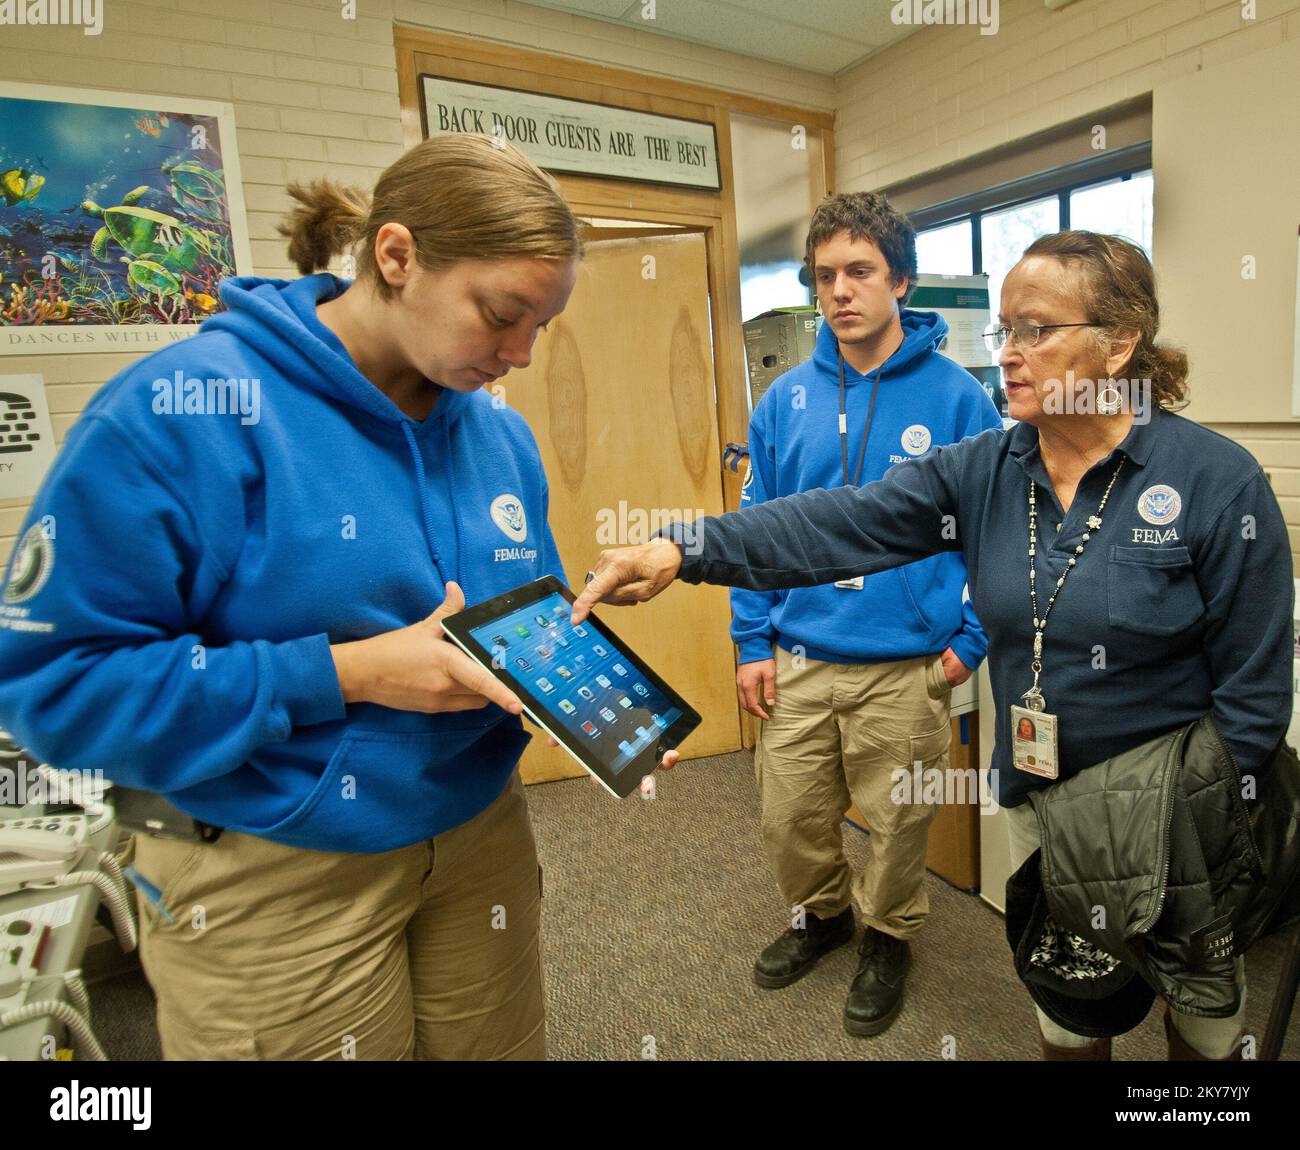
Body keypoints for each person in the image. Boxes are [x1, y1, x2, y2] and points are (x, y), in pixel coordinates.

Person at [574, 231, 1294, 1061]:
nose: (1010, 354)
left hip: (1178, 818)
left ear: (1118, 343)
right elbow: (835, 521)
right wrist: (682, 547)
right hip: (1044, 800)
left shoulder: (1214, 480)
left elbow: (1254, 697)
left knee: (1199, 1027)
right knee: (1067, 1014)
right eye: (1004, 331)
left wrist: (1199, 825)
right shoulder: (986, 467)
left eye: (1036, 330)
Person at [0, 134, 583, 1060]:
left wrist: (582, 684)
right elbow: (56, 689)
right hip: (269, 855)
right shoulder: (181, 414)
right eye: (502, 313)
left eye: (540, 326)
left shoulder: (498, 440)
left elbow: (518, 612)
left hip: (479, 835)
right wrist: (343, 675)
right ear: (396, 257)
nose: (519, 353)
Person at [734, 192, 1000, 1036]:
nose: (839, 292)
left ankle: (888, 936)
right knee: (792, 817)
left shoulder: (960, 400)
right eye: (824, 276)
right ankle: (822, 917)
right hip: (801, 653)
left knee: (896, 826)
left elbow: (1000, 534)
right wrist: (751, 637)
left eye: (859, 272)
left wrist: (969, 643)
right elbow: (750, 532)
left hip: (904, 663)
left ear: (901, 282)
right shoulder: (785, 401)